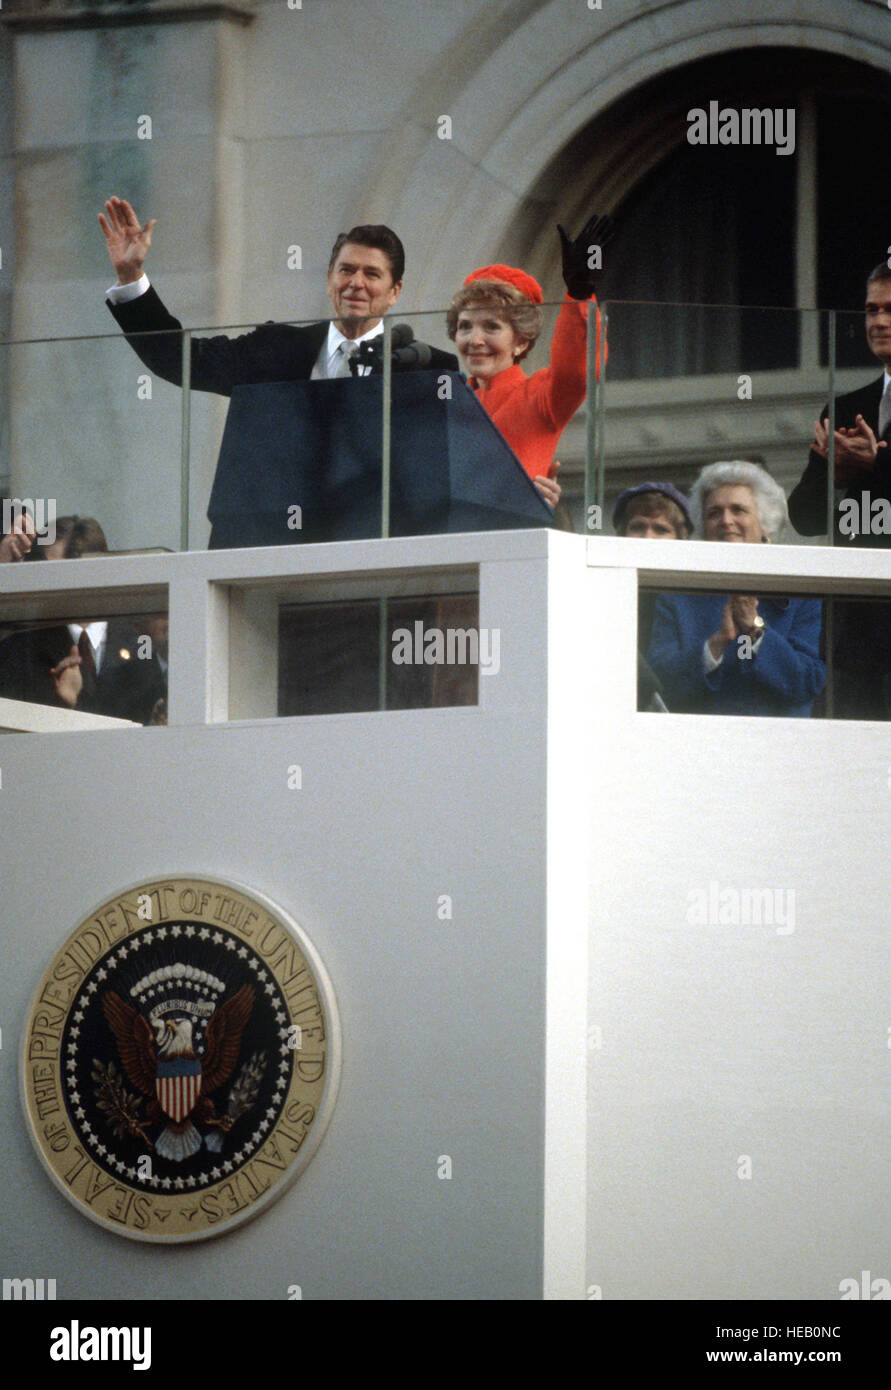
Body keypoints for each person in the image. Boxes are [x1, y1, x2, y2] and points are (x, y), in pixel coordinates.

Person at [99, 196, 458, 390]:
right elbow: (182, 361)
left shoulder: (430, 368)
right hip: (285, 524)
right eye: (346, 270)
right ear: (329, 279)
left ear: (395, 292)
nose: (356, 283)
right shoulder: (276, 349)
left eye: (372, 274)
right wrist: (132, 277)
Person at [445, 215, 611, 507]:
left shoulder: (541, 397)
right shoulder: (447, 404)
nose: (475, 340)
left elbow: (577, 371)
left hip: (513, 543)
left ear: (521, 341)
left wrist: (580, 294)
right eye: (465, 326)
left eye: (492, 327)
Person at [788, 261, 891, 717]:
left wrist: (878, 463)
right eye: (871, 310)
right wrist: (837, 476)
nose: (879, 321)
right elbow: (805, 518)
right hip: (855, 633)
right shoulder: (847, 407)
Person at [647, 462, 825, 717]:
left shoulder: (800, 594)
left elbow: (809, 682)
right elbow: (659, 682)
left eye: (738, 510)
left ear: (765, 523)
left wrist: (756, 630)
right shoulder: (677, 595)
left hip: (780, 743)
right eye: (714, 513)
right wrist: (716, 644)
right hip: (700, 742)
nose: (726, 520)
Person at [0, 517, 165, 723]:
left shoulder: (137, 645)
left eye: (65, 576)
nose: (55, 588)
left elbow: (151, 721)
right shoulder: (22, 643)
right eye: (47, 574)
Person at [612, 481, 694, 708]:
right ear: (622, 535)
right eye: (638, 527)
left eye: (661, 529)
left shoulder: (694, 598)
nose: (648, 538)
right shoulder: (607, 593)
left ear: (681, 540)